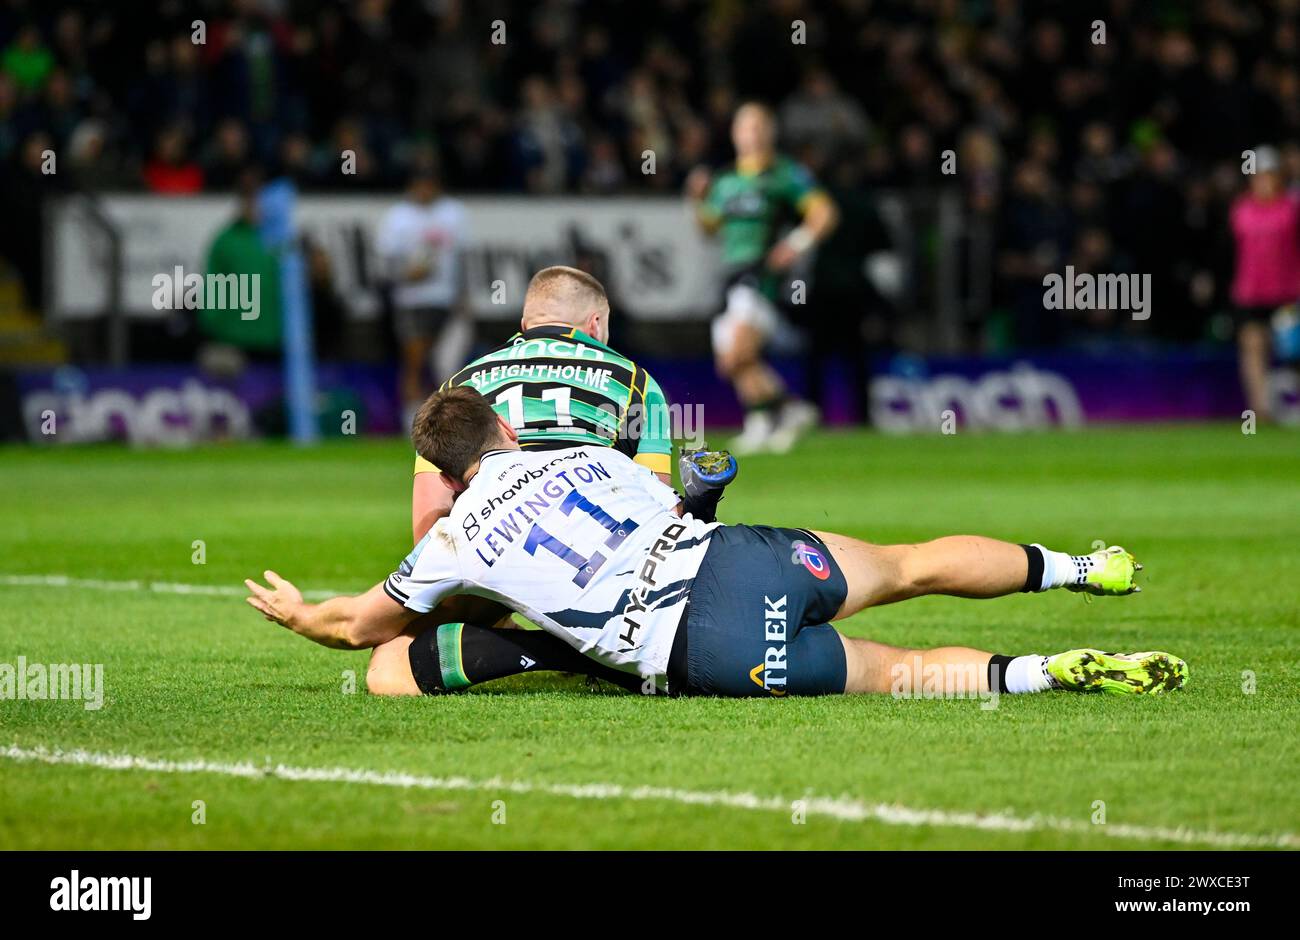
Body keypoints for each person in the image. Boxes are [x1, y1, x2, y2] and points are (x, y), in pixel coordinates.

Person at [245, 386, 1188, 700]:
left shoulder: (448, 540)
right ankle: (1078, 567)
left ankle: (1041, 674)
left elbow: (361, 628)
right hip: (736, 558)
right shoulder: (577, 454)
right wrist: (696, 486)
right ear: (503, 431)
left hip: (702, 646)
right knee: (909, 564)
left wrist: (299, 616)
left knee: (896, 675)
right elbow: (680, 502)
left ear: (444, 472)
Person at [685, 102, 838, 454]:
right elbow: (709, 228)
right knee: (734, 362)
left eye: (757, 127)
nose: (750, 135)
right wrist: (695, 201)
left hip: (762, 273)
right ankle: (770, 417)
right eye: (744, 128)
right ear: (735, 134)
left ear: (770, 133)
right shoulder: (725, 181)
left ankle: (784, 411)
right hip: (731, 273)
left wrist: (796, 244)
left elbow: (824, 213)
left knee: (737, 353)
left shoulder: (785, 174)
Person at [375, 160, 471, 433]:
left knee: (450, 367)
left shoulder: (454, 213)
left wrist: (464, 298)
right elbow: (385, 267)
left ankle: (450, 426)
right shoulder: (397, 217)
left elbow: (462, 260)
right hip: (412, 301)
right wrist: (408, 275)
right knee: (414, 362)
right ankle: (411, 425)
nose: (425, 191)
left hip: (447, 301)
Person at [1228, 145, 1300, 421]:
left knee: (1292, 350)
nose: (1264, 181)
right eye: (1258, 175)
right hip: (1251, 292)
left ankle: (1289, 405)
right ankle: (1260, 409)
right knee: (1253, 344)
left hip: (1286, 291)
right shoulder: (1241, 211)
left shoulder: (1291, 208)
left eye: (1269, 175)